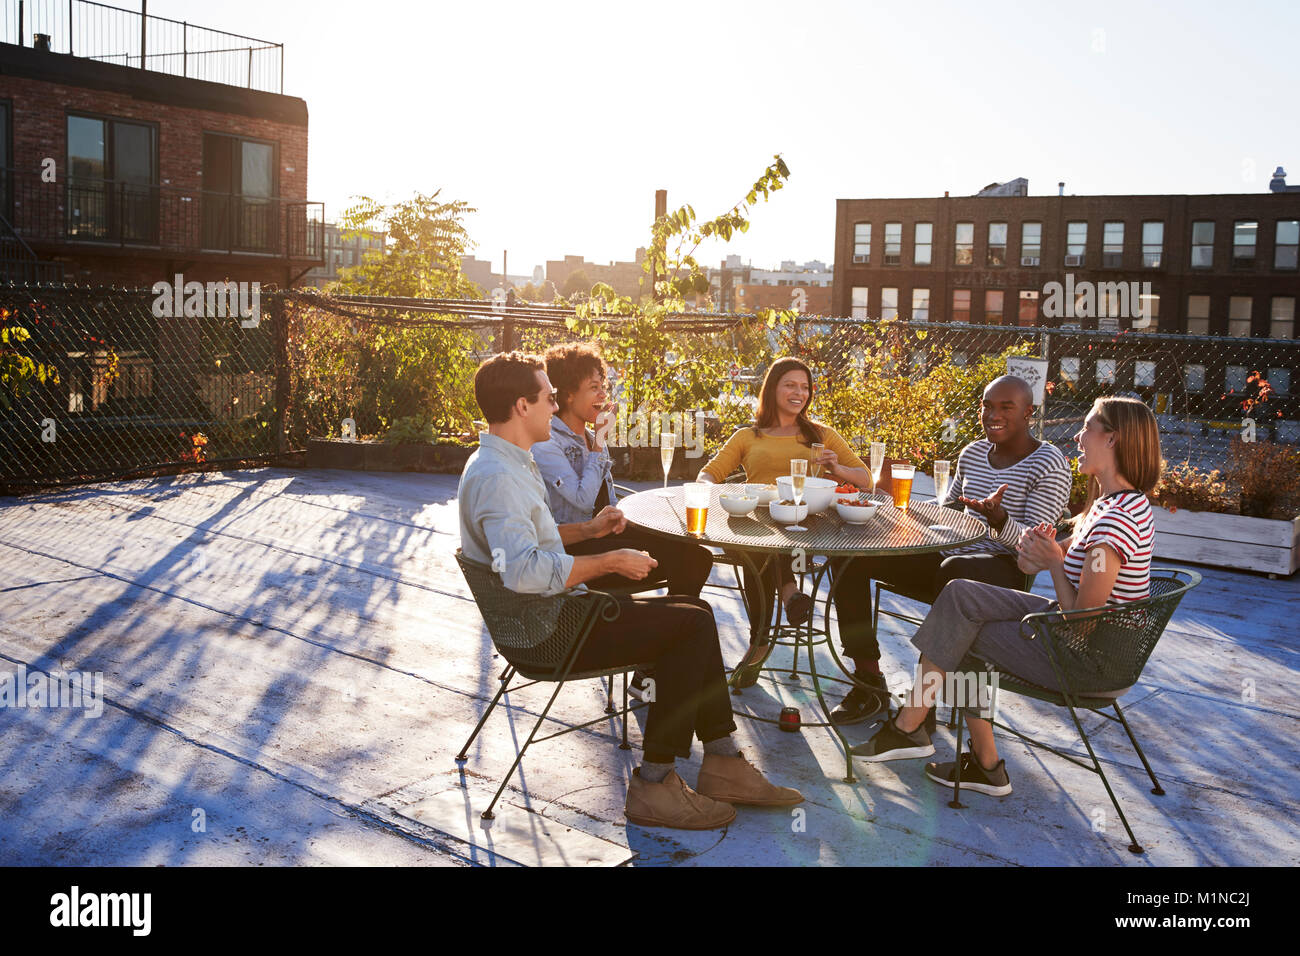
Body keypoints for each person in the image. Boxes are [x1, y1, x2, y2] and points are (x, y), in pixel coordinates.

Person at [458, 351, 803, 829]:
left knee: (691, 613)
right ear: (522, 406)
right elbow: (523, 571)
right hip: (548, 630)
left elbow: (534, 540)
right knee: (691, 624)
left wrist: (590, 531)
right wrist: (611, 560)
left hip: (549, 614)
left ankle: (722, 763)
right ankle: (657, 784)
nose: (554, 406)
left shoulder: (506, 461)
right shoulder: (500, 476)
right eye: (548, 398)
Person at [849, 396, 1160, 799]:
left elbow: (1082, 623)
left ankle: (926, 734)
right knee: (962, 596)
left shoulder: (1114, 525)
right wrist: (1040, 548)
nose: (1079, 438)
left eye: (1088, 429)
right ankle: (942, 740)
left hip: (1090, 660)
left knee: (962, 632)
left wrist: (1052, 562)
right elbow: (1059, 560)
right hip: (1092, 639)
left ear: (1114, 439)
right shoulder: (1116, 504)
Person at [827, 374, 1073, 725]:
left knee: (954, 571)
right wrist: (899, 514)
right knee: (852, 553)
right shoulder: (972, 453)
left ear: (1028, 413)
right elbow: (952, 511)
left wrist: (999, 520)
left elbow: (1034, 552)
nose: (994, 415)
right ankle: (869, 681)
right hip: (952, 556)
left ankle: (920, 707)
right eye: (987, 406)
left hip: (1003, 568)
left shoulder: (1048, 464)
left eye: (1006, 407)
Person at [697, 356, 877, 687]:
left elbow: (865, 480)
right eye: (790, 385)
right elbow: (708, 474)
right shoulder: (747, 436)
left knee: (764, 541)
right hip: (758, 524)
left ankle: (761, 641)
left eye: (805, 387)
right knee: (753, 539)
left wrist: (836, 468)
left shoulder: (821, 434)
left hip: (808, 526)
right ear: (772, 388)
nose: (799, 393)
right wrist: (712, 492)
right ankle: (787, 599)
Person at [533, 341, 713, 598]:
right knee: (690, 560)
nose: (603, 396)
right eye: (594, 388)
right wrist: (599, 443)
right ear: (569, 394)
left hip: (603, 536)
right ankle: (676, 621)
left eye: (603, 387)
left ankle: (677, 618)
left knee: (693, 551)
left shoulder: (591, 435)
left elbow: (607, 500)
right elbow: (583, 502)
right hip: (575, 549)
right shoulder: (549, 443)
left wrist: (621, 519)